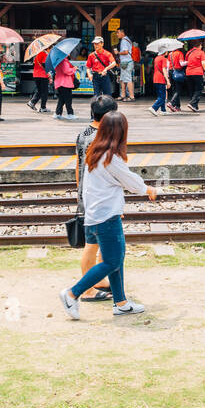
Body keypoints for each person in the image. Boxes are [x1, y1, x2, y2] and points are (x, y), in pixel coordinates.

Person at [59, 111, 156, 320]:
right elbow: (131, 182)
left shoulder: (94, 151)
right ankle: (71, 293)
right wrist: (149, 190)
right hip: (106, 217)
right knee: (112, 261)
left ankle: (120, 303)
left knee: (116, 258)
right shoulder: (110, 158)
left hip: (94, 214)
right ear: (120, 133)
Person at [75, 94, 120, 300]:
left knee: (97, 242)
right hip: (99, 197)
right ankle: (87, 289)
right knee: (93, 244)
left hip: (86, 193)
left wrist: (80, 191)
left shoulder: (83, 133)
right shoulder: (104, 137)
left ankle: (98, 281)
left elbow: (78, 165)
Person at [183, 40, 205, 112]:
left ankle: (195, 106)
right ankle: (192, 103)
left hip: (188, 73)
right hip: (197, 73)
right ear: (200, 46)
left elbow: (186, 62)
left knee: (192, 90)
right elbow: (203, 63)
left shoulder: (188, 52)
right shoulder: (201, 52)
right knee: (199, 89)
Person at [53, 50, 77, 119]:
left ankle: (58, 113)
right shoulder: (64, 61)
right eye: (68, 51)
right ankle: (70, 114)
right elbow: (67, 71)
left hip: (60, 83)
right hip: (65, 83)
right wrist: (74, 69)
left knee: (62, 99)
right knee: (68, 99)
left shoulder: (58, 61)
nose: (69, 53)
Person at [27, 46, 51, 113]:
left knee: (40, 90)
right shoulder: (44, 54)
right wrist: (48, 71)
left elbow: (34, 64)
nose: (51, 50)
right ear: (48, 48)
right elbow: (44, 64)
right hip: (42, 75)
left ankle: (32, 102)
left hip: (36, 75)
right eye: (51, 49)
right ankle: (43, 107)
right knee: (45, 92)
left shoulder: (38, 54)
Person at [116, 29, 136, 102]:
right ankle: (123, 95)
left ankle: (131, 96)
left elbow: (126, 52)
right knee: (123, 79)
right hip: (127, 62)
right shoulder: (127, 39)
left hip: (126, 62)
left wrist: (118, 52)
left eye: (118, 32)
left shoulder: (124, 41)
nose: (117, 34)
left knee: (127, 79)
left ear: (122, 33)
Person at [149, 48, 169, 116]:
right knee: (163, 96)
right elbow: (164, 70)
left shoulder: (156, 58)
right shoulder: (164, 59)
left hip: (155, 78)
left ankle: (163, 110)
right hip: (161, 79)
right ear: (165, 52)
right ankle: (154, 107)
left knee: (160, 95)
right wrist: (168, 80)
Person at [166, 45, 186, 111]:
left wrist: (167, 75)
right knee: (178, 90)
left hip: (171, 72)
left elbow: (168, 65)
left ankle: (177, 106)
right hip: (177, 72)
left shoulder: (170, 54)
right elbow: (182, 63)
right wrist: (188, 62)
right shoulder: (179, 53)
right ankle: (171, 103)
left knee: (174, 90)